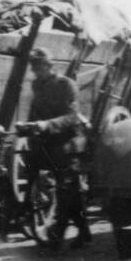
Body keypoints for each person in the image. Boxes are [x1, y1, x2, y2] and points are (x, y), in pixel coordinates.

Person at [16, 47, 89, 250]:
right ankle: (82, 231)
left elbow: (72, 117)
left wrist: (47, 124)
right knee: (31, 167)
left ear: (50, 66)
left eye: (40, 67)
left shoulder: (66, 85)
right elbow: (34, 113)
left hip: (68, 144)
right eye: (34, 68)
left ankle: (58, 234)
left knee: (66, 189)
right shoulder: (37, 85)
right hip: (47, 143)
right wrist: (26, 126)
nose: (36, 71)